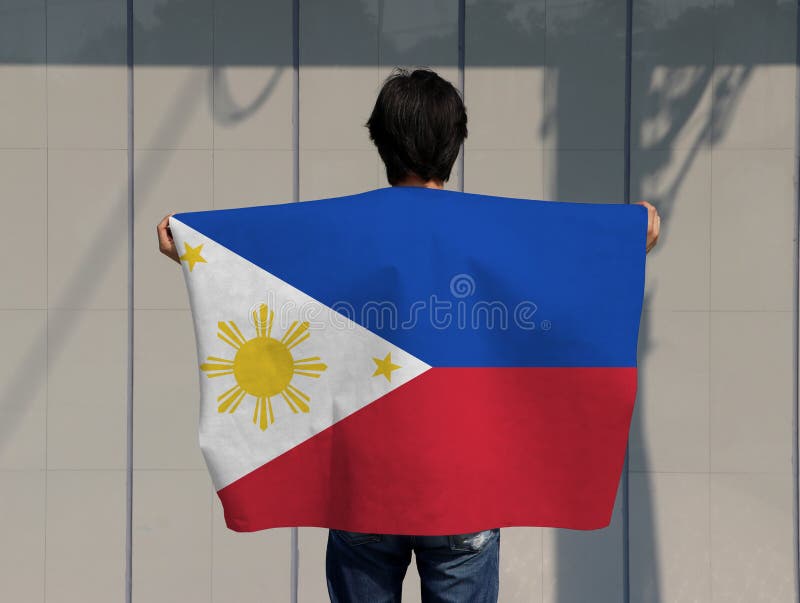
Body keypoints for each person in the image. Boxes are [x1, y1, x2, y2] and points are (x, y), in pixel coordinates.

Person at [157, 67, 660, 603]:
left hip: (365, 483)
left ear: (381, 139)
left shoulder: (339, 229)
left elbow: (248, 249)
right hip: (463, 486)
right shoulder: (495, 229)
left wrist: (191, 248)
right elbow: (623, 234)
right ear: (455, 143)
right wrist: (631, 234)